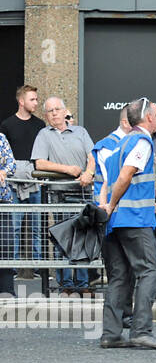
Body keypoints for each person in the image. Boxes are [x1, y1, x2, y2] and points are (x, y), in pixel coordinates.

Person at [100, 99, 156, 350]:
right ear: (147, 117)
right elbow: (126, 175)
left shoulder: (119, 144)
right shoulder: (142, 142)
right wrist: (113, 204)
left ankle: (111, 334)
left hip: (115, 222)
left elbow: (107, 183)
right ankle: (141, 330)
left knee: (120, 277)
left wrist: (108, 206)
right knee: (149, 271)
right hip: (134, 220)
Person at [33, 96, 96, 295]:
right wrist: (68, 169)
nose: (54, 113)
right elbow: (40, 164)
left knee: (83, 238)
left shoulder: (80, 131)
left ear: (64, 111)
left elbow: (92, 156)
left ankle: (83, 284)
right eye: (50, 111)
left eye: (57, 109)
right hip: (59, 194)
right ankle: (66, 285)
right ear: (46, 115)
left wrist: (89, 172)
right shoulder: (44, 134)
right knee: (63, 238)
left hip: (83, 192)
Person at [1, 85, 44, 281]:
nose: (36, 103)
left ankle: (38, 268)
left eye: (36, 99)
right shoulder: (7, 125)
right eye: (32, 99)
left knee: (36, 226)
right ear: (22, 101)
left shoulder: (40, 125)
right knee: (14, 226)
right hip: (12, 180)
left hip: (34, 178)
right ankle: (13, 269)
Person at [0, 130, 15, 295]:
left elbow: (11, 163)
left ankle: (7, 290)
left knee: (5, 246)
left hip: (3, 201)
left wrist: (4, 171)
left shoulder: (1, 138)